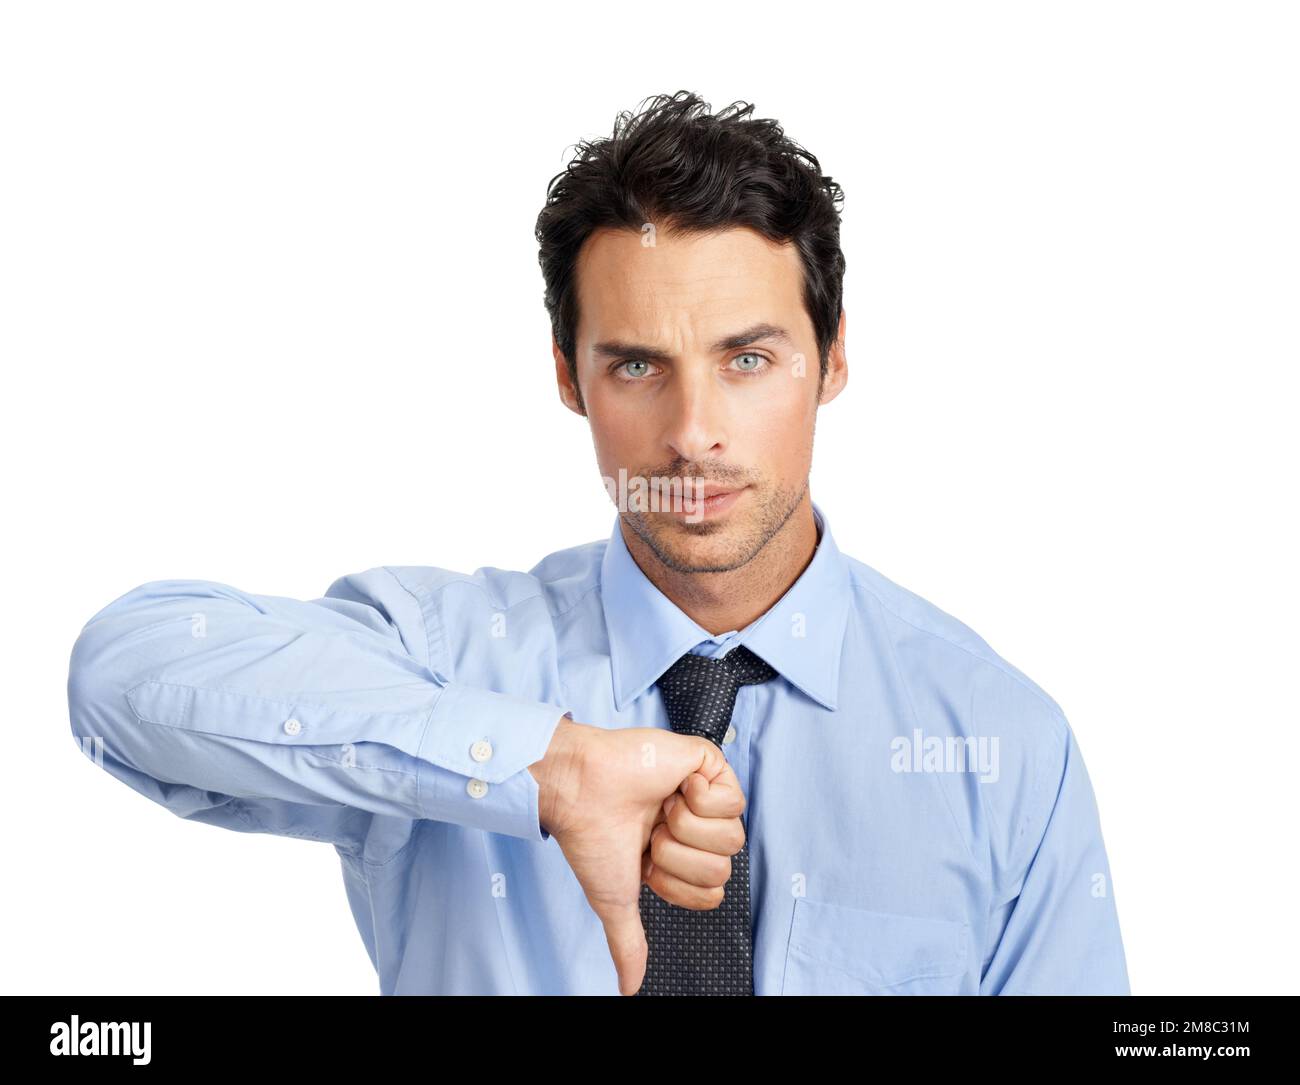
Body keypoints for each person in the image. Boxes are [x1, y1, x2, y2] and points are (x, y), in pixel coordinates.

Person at [66, 90, 1129, 996]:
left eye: (747, 359)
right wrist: (543, 763)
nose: (691, 429)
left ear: (834, 356)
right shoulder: (448, 659)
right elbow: (125, 675)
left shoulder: (1000, 741)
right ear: (568, 377)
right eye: (634, 365)